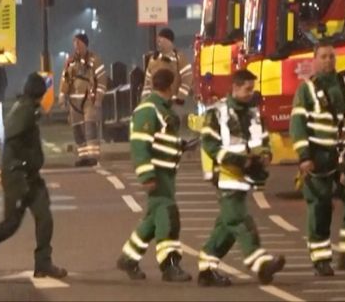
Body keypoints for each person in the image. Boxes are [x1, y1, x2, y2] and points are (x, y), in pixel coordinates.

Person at [0, 73, 68, 280]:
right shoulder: (24, 111)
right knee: (11, 224)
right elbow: (12, 135)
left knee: (44, 216)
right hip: (18, 178)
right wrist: (24, 164)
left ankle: (43, 263)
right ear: (39, 92)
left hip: (29, 176)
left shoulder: (27, 108)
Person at [291, 41, 345, 276]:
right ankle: (320, 259)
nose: (328, 61)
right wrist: (304, 156)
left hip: (344, 154)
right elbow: (297, 125)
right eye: (323, 57)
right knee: (320, 207)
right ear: (314, 60)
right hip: (318, 155)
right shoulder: (306, 90)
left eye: (331, 56)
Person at [197, 69, 286, 287]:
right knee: (240, 221)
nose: (250, 93)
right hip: (225, 175)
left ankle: (206, 269)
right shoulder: (217, 113)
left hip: (245, 177)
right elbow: (209, 144)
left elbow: (262, 139)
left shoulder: (253, 113)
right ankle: (260, 264)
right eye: (247, 89)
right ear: (235, 88)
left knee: (227, 227)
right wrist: (238, 161)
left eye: (252, 89)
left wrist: (265, 154)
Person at [117, 68, 192, 283]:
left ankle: (128, 258)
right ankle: (169, 265)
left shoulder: (160, 109)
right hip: (157, 175)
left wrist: (179, 145)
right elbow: (140, 144)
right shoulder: (149, 110)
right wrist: (147, 176)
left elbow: (161, 138)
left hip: (165, 174)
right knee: (168, 217)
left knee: (152, 220)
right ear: (171, 86)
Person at [59, 33, 107, 167]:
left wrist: (98, 98)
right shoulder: (71, 62)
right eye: (75, 43)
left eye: (79, 43)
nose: (77, 46)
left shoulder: (95, 60)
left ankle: (93, 156)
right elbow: (65, 79)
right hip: (74, 102)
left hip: (89, 101)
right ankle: (83, 156)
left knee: (90, 128)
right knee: (78, 130)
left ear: (85, 44)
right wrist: (62, 95)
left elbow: (102, 80)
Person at [141, 28, 193, 106]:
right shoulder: (153, 59)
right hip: (155, 103)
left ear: (168, 41)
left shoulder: (179, 58)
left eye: (160, 40)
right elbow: (147, 82)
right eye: (158, 41)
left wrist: (180, 97)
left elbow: (187, 78)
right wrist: (145, 99)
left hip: (172, 102)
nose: (158, 43)